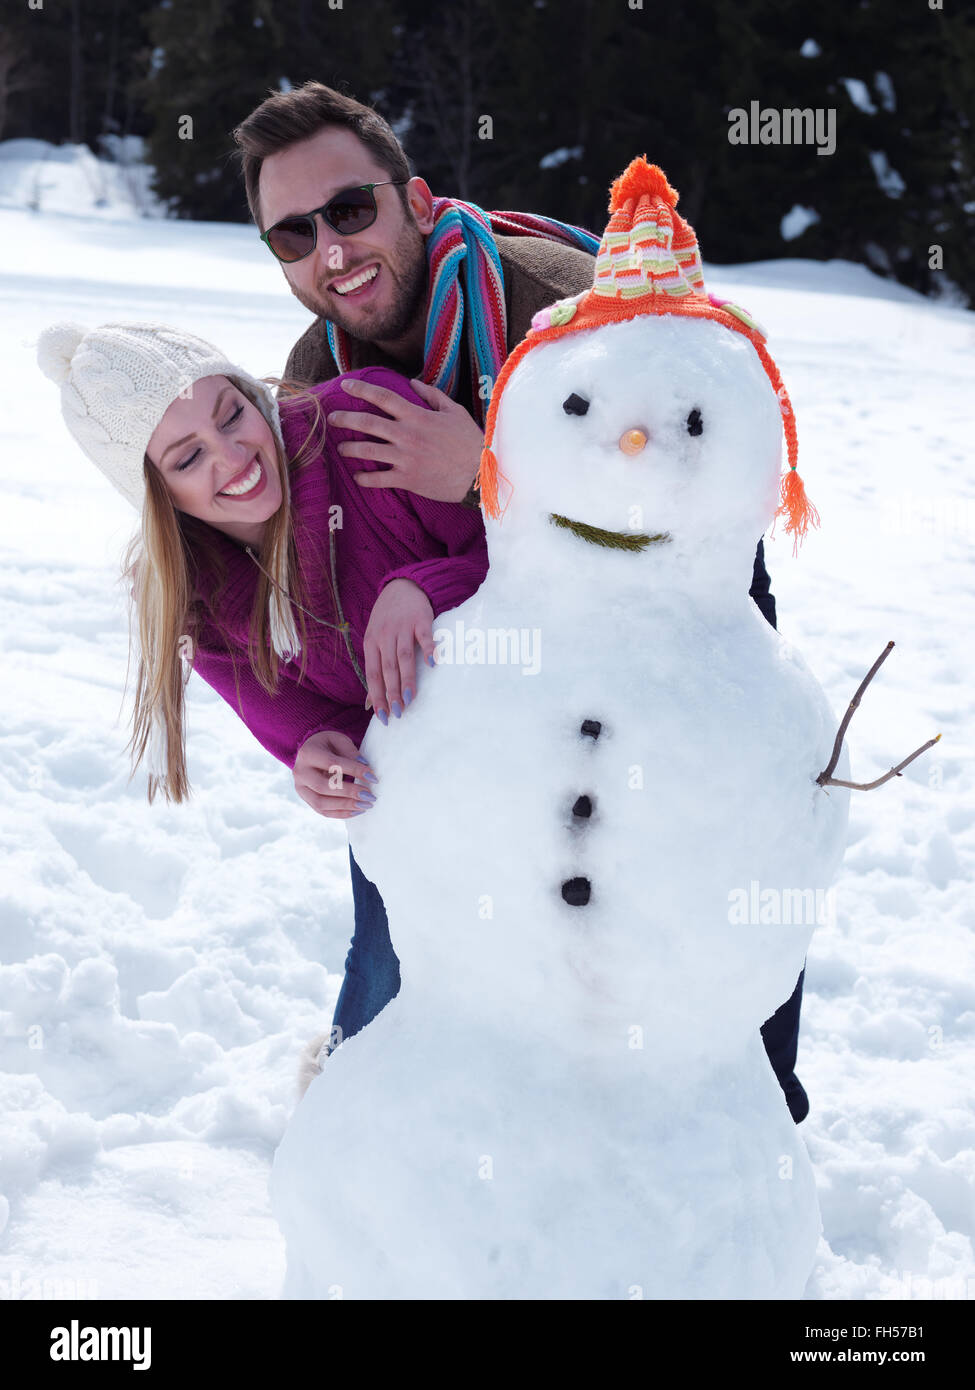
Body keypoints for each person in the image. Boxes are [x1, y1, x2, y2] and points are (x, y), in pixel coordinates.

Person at [231, 82, 808, 1119]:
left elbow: (698, 498)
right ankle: (384, 1089)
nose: (330, 248)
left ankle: (750, 1113)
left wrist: (493, 474)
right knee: (418, 837)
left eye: (351, 209)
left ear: (414, 199)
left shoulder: (568, 305)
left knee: (708, 837)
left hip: (663, 617)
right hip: (470, 652)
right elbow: (318, 596)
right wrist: (314, 740)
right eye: (292, 232)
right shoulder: (315, 372)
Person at [34, 322, 489, 1091]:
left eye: (231, 415)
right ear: (158, 495)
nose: (233, 457)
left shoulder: (361, 424)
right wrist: (318, 756)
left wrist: (426, 589)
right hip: (425, 794)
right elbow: (312, 728)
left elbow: (531, 555)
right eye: (187, 458)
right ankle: (355, 1128)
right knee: (389, 962)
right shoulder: (199, 599)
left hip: (552, 734)